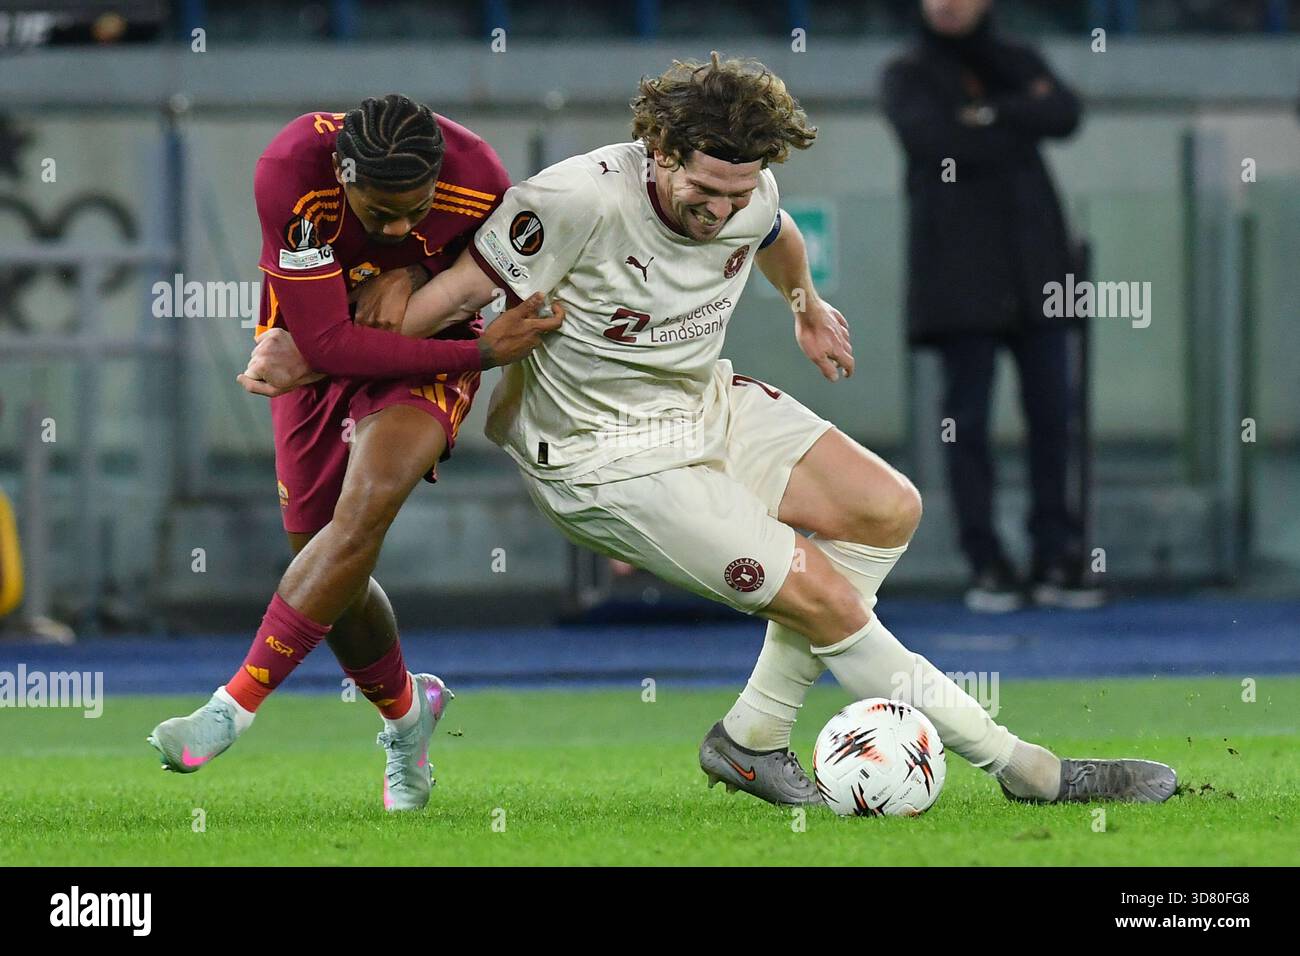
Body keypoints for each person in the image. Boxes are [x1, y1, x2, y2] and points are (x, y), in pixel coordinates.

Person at [247, 55, 1175, 809]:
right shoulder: (568, 202)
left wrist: (806, 303)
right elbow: (438, 309)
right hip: (599, 458)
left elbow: (772, 235)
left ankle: (751, 741)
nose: (720, 209)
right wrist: (314, 354)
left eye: (737, 191)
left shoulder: (748, 192)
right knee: (827, 602)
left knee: (888, 510)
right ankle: (1029, 771)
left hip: (702, 404)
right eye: (703, 190)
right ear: (658, 151)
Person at [147, 95, 560, 812]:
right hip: (316, 354)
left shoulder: (482, 177)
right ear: (343, 176)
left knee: (362, 513)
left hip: (431, 354)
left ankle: (229, 709)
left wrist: (418, 284)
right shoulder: (289, 170)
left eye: (416, 210)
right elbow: (329, 347)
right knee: (328, 570)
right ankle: (407, 719)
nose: (401, 226)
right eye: (380, 215)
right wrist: (486, 351)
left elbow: (495, 269)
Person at [882, 0, 1104, 611]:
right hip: (959, 280)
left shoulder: (1018, 58)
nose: (948, 4)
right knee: (967, 425)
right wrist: (1014, 114)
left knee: (1054, 418)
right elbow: (934, 139)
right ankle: (986, 561)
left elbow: (1063, 113)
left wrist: (986, 113)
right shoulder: (907, 73)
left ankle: (1058, 555)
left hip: (1038, 275)